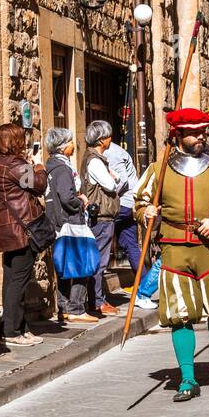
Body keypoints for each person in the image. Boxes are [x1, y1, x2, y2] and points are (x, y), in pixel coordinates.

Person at [133, 107, 209, 401]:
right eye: (193, 132)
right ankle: (188, 377)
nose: (200, 136)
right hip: (173, 247)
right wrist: (147, 212)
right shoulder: (158, 169)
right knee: (180, 315)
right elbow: (139, 203)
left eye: (202, 131)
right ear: (177, 135)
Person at [0, 123, 48, 347]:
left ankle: (15, 327)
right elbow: (39, 185)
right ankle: (12, 331)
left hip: (8, 229)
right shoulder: (15, 165)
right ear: (14, 141)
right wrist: (39, 164)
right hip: (23, 230)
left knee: (11, 279)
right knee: (18, 281)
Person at [44, 127, 98, 326]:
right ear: (63, 146)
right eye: (71, 142)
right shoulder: (62, 168)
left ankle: (64, 308)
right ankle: (76, 308)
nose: (73, 145)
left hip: (57, 224)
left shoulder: (50, 166)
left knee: (64, 266)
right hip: (70, 222)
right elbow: (67, 198)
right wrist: (81, 200)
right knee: (83, 264)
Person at [81, 119, 126, 316]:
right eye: (108, 136)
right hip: (101, 217)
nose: (110, 139)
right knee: (99, 260)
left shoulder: (96, 159)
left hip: (103, 217)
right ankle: (97, 301)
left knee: (99, 259)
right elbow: (111, 184)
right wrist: (111, 176)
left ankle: (97, 299)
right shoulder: (95, 161)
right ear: (101, 140)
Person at [106, 137, 141, 275]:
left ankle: (94, 291)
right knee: (131, 245)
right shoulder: (116, 151)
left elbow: (121, 180)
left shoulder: (112, 152)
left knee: (98, 237)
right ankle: (143, 286)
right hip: (127, 203)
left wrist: (107, 199)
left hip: (121, 204)